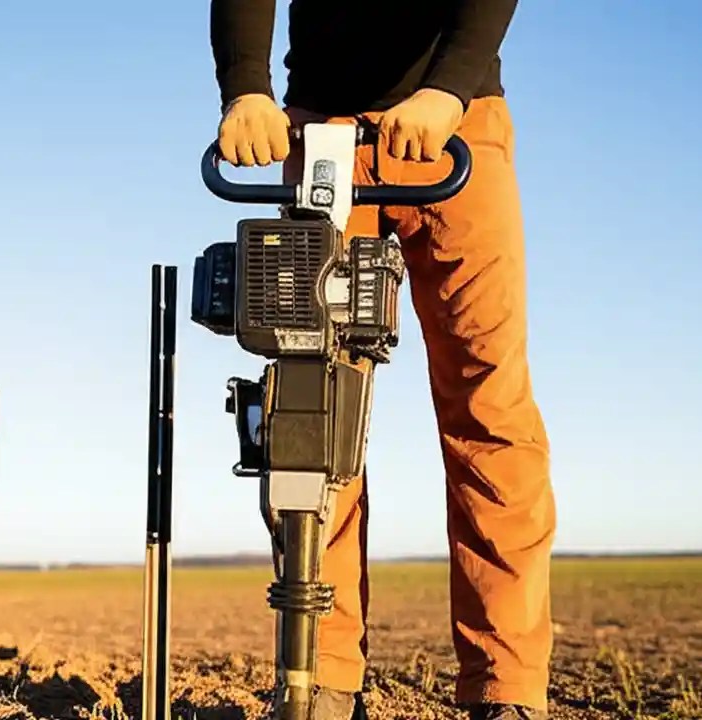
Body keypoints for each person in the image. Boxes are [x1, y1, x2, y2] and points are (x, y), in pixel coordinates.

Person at [208, 2, 557, 719]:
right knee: (311, 407)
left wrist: (447, 88)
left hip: (454, 127)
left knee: (487, 404)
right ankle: (320, 675)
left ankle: (506, 685)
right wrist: (245, 88)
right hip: (322, 130)